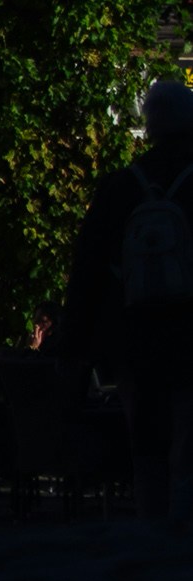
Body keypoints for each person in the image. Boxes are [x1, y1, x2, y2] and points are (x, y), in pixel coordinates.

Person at [49, 77, 193, 522]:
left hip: (134, 337)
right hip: (191, 336)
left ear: (148, 126)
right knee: (187, 444)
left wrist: (75, 346)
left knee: (145, 444)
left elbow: (88, 269)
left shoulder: (120, 186)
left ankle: (152, 527)